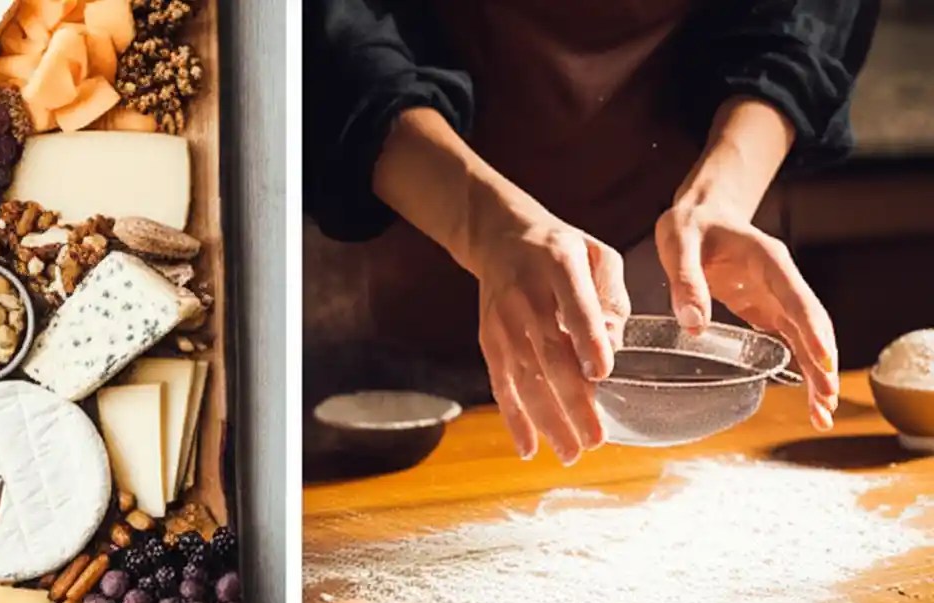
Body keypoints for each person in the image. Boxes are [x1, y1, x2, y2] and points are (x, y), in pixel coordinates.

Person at [305, 0, 880, 464]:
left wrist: (721, 198)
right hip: (393, 277)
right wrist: (483, 227)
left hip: (654, 270)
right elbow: (332, 34)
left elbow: (808, 16)